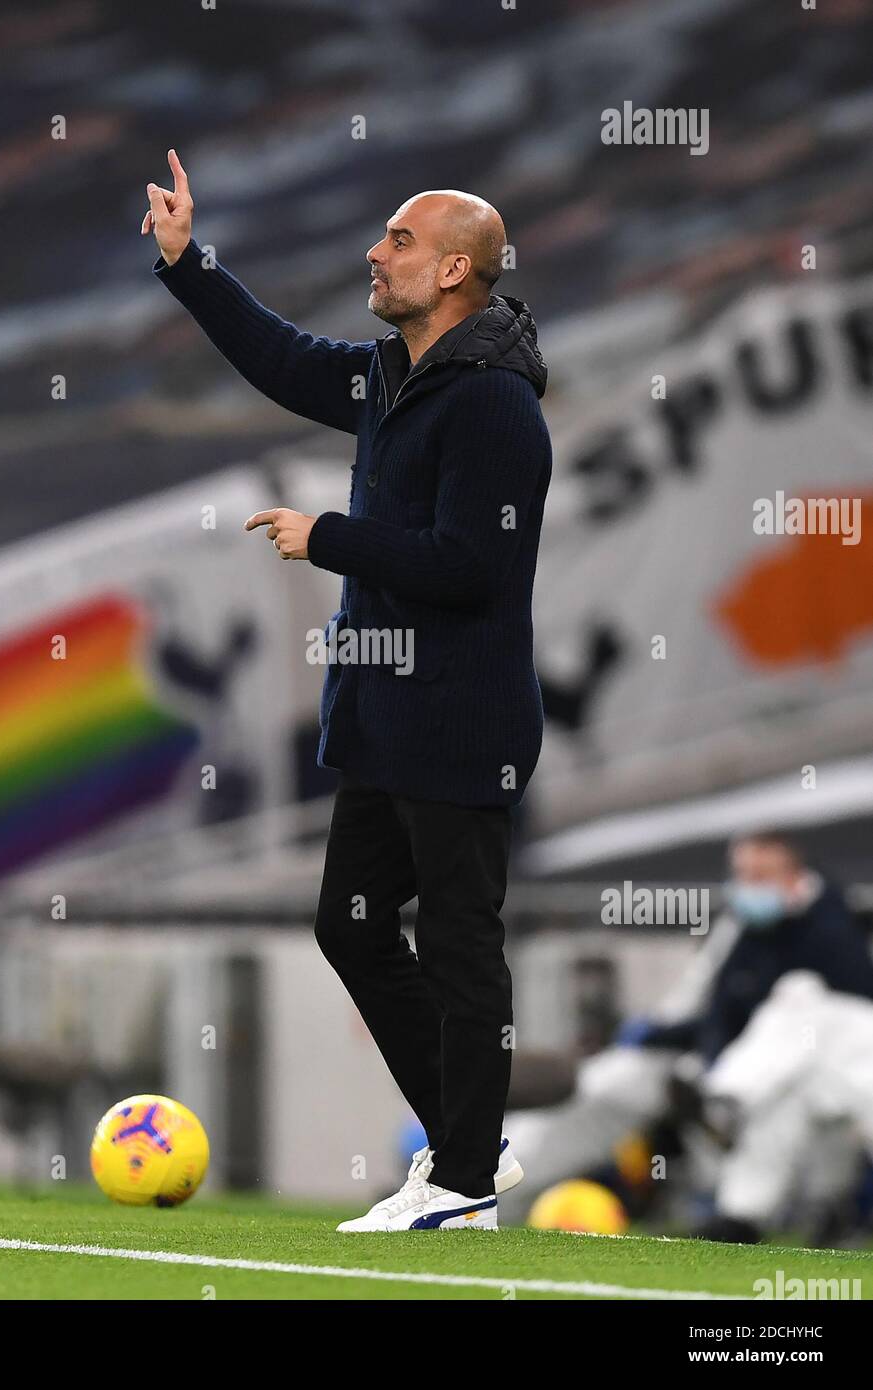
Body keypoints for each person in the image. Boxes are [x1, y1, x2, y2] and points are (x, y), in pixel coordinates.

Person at [144, 149, 551, 1230]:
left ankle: (461, 1175)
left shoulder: (496, 408)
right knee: (352, 925)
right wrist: (190, 266)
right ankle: (473, 1150)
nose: (375, 253)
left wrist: (327, 535)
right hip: (385, 718)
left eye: (400, 241)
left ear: (457, 269)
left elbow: (474, 567)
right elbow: (282, 361)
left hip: (461, 720)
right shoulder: (389, 374)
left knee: (461, 943)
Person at [497, 830, 873, 1233]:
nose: (749, 885)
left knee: (797, 1006)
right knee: (604, 1084)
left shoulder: (835, 933)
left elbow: (839, 1017)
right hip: (700, 1067)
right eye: (742, 873)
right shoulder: (740, 926)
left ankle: (739, 1190)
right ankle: (487, 1188)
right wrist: (656, 1035)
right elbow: (711, 1010)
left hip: (789, 1081)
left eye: (761, 874)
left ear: (795, 875)